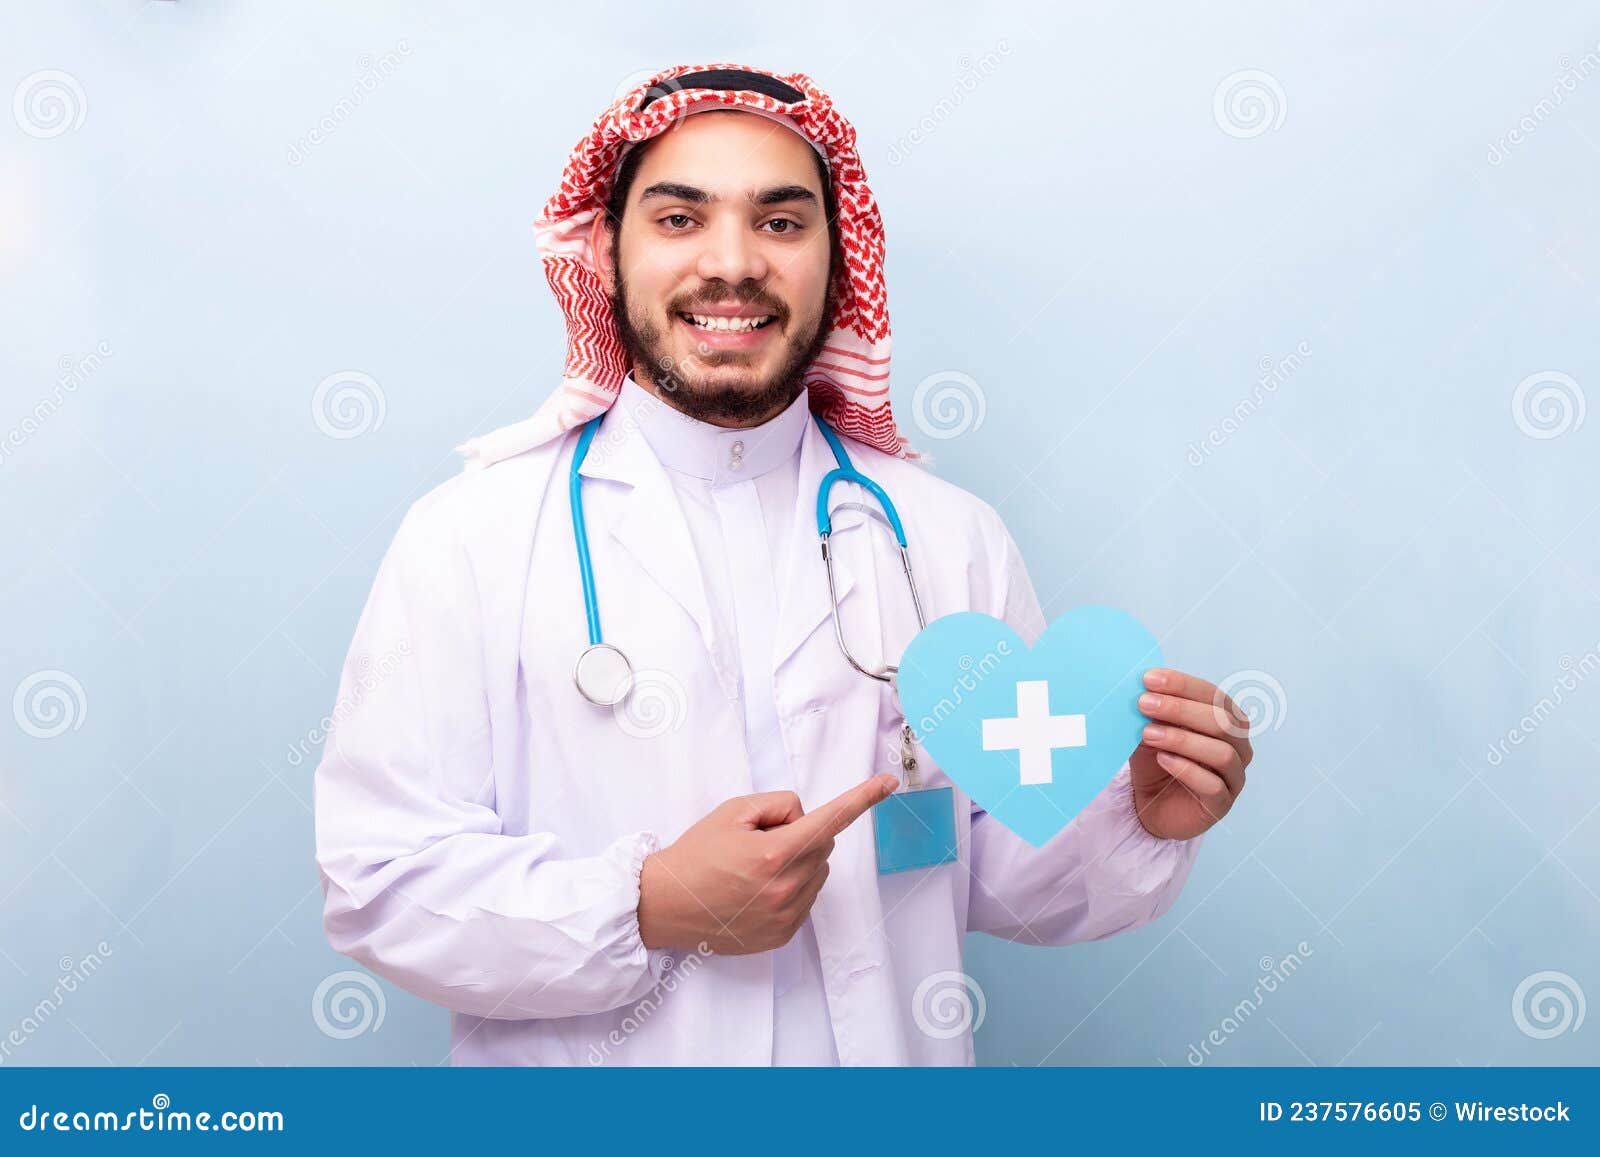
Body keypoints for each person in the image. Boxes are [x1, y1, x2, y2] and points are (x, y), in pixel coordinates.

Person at [312, 64, 1253, 1066]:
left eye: (780, 222)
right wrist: (646, 903)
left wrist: (1136, 815)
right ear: (606, 251)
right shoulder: (470, 536)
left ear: (836, 258)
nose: (733, 263)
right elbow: (381, 881)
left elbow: (987, 867)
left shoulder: (946, 537)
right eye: (680, 219)